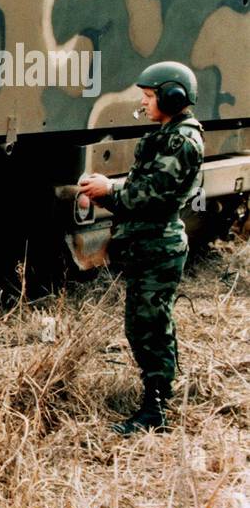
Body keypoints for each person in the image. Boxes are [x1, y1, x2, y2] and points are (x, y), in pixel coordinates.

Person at [79, 61, 204, 435]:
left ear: (172, 97)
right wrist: (101, 195)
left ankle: (156, 411)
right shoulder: (168, 135)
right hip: (147, 247)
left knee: (152, 328)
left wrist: (110, 189)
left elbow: (149, 195)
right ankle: (156, 401)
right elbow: (140, 195)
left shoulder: (182, 142)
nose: (145, 104)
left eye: (150, 97)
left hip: (158, 248)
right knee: (144, 326)